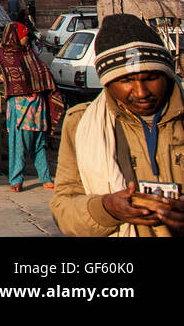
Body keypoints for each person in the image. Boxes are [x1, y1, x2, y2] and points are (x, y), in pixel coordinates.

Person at [50, 14, 183, 237]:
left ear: (166, 76)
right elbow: (64, 209)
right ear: (108, 83)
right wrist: (105, 209)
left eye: (150, 78)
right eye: (127, 80)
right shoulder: (81, 123)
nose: (141, 92)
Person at [0, 22, 63, 192]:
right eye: (24, 35)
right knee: (19, 145)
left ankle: (45, 177)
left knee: (40, 143)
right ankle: (16, 179)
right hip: (20, 106)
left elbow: (41, 73)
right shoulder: (6, 54)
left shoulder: (29, 53)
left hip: (38, 105)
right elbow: (17, 78)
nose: (26, 38)